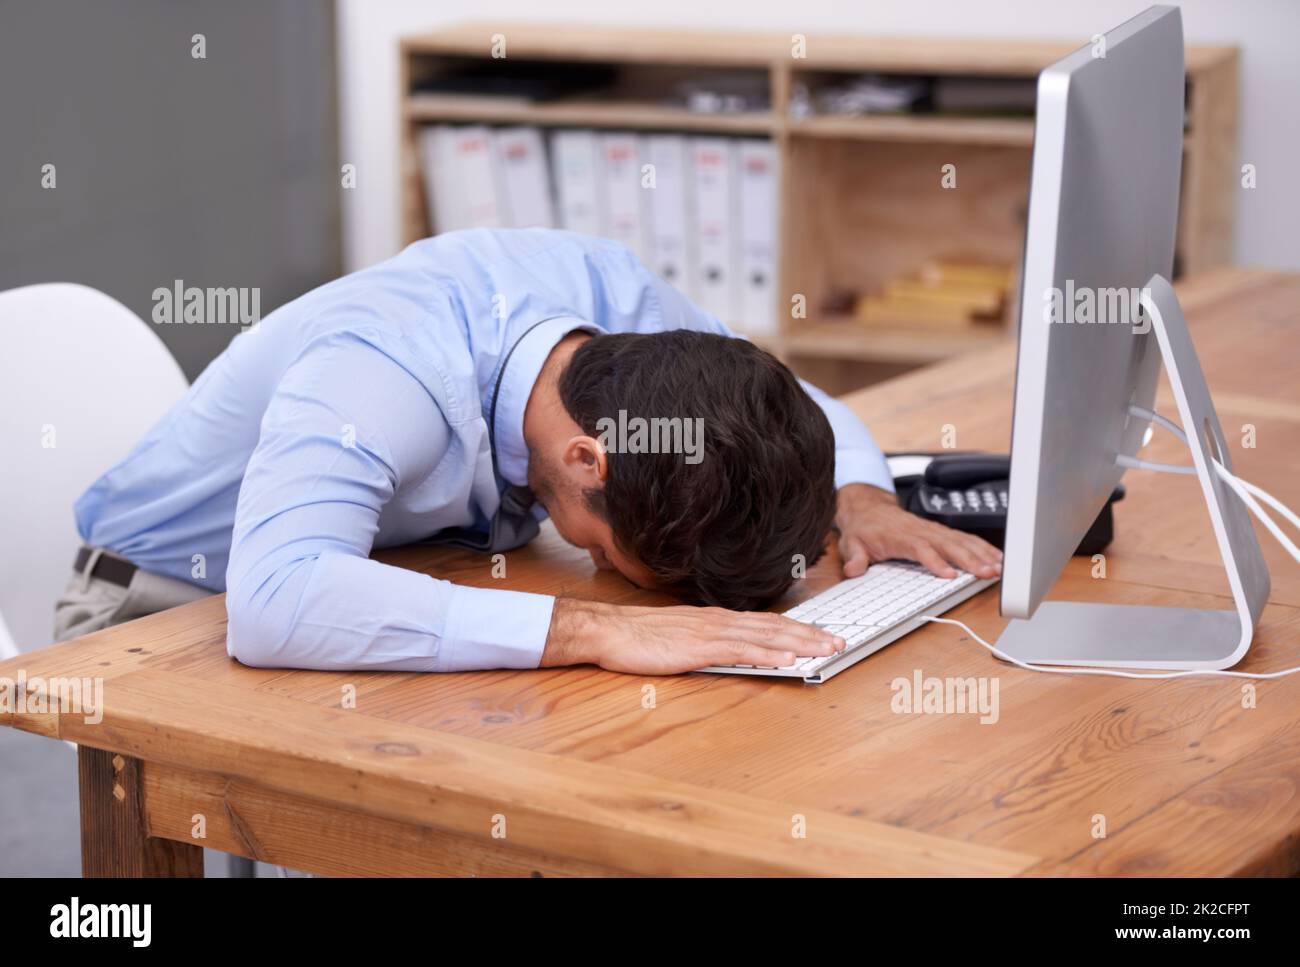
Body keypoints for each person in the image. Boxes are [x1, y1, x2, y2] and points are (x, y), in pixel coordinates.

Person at [56, 228, 1001, 674]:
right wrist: (600, 627)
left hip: (383, 567)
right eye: (609, 550)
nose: (605, 567)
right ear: (589, 460)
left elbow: (798, 403)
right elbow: (275, 606)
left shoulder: (626, 325)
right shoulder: (388, 369)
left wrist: (862, 498)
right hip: (158, 608)